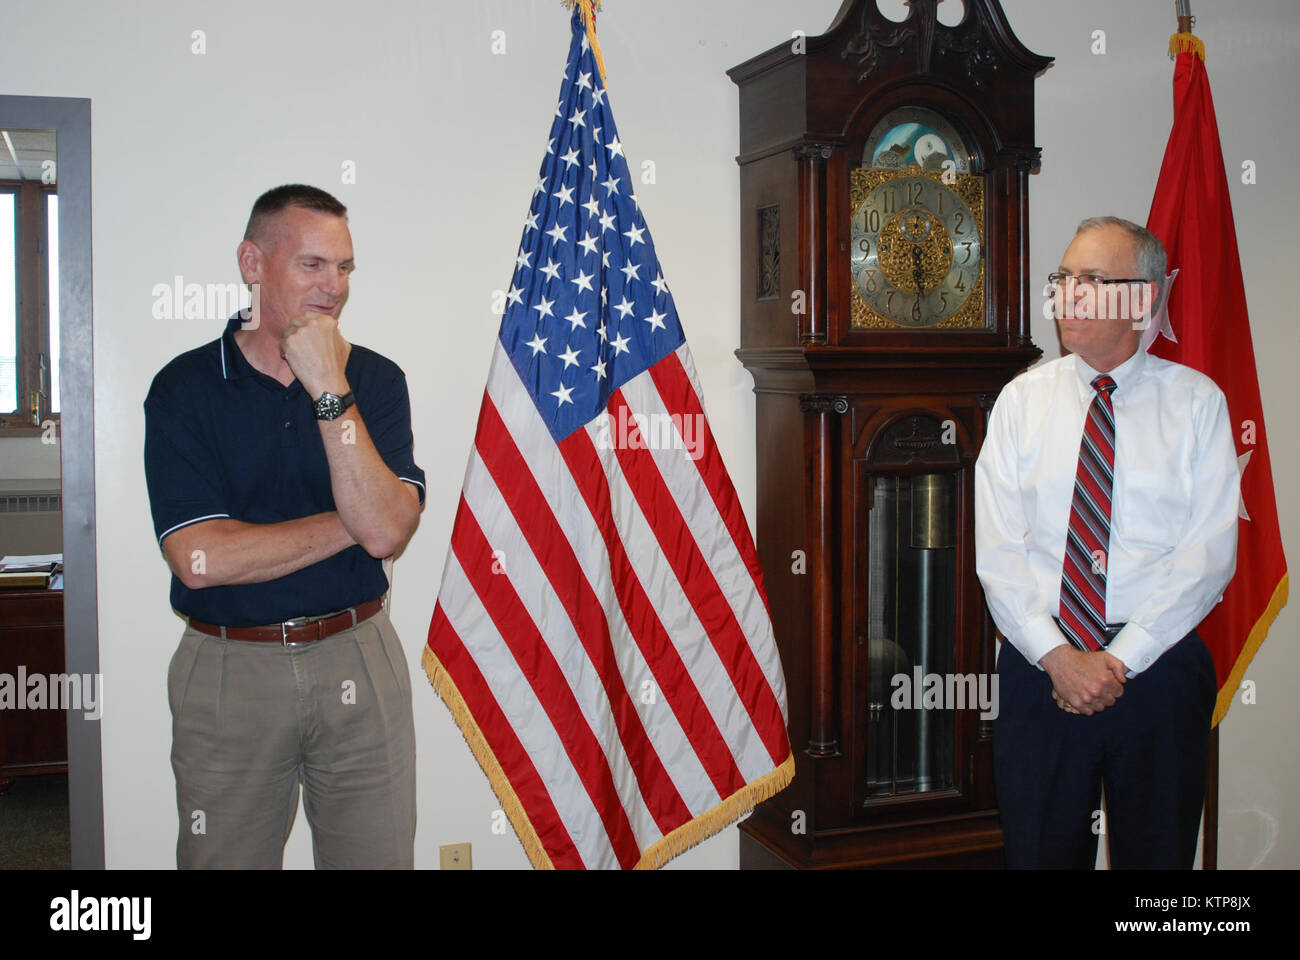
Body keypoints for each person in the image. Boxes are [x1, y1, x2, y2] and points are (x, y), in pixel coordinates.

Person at [144, 184, 425, 869]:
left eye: (346, 268)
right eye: (313, 265)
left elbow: (389, 534)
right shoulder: (185, 388)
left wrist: (330, 388)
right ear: (252, 262)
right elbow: (200, 559)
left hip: (358, 650)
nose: (334, 287)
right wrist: (355, 519)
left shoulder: (376, 381)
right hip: (230, 670)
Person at [974, 216, 1239, 869]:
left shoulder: (1196, 404)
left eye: (1092, 280)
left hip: (1158, 673)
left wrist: (1119, 660)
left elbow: (1208, 556)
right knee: (1039, 855)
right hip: (1043, 670)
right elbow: (999, 553)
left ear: (1144, 301)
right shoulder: (1020, 402)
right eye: (1063, 279)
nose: (1068, 295)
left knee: (1158, 862)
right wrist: (1061, 658)